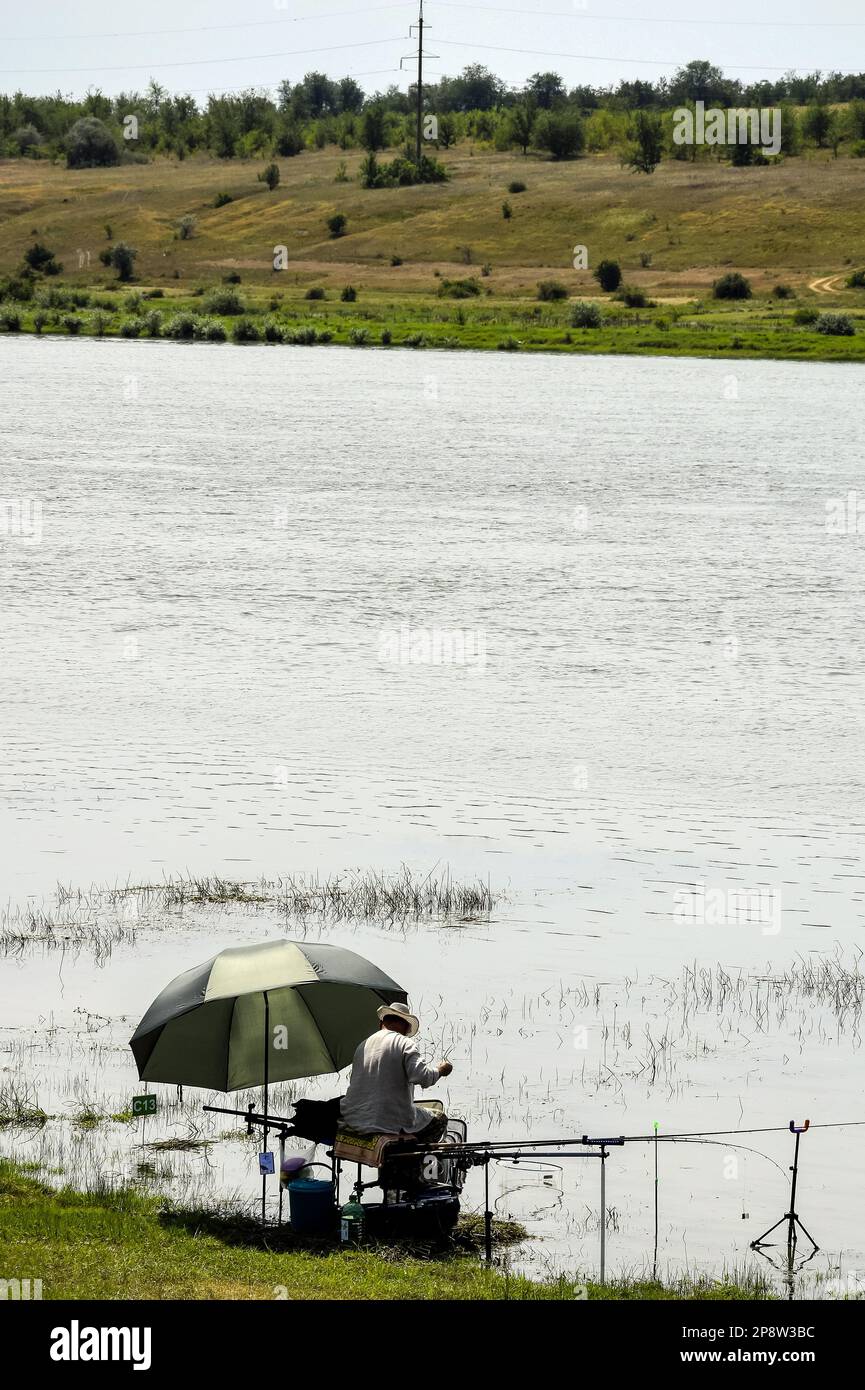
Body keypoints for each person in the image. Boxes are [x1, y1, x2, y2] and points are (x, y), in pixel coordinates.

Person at [340, 1001, 452, 1142]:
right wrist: (440, 1070)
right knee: (440, 1119)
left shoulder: (362, 1045)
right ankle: (410, 1157)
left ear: (381, 1024)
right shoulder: (404, 1043)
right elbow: (421, 1077)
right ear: (406, 1027)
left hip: (356, 1119)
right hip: (389, 1121)